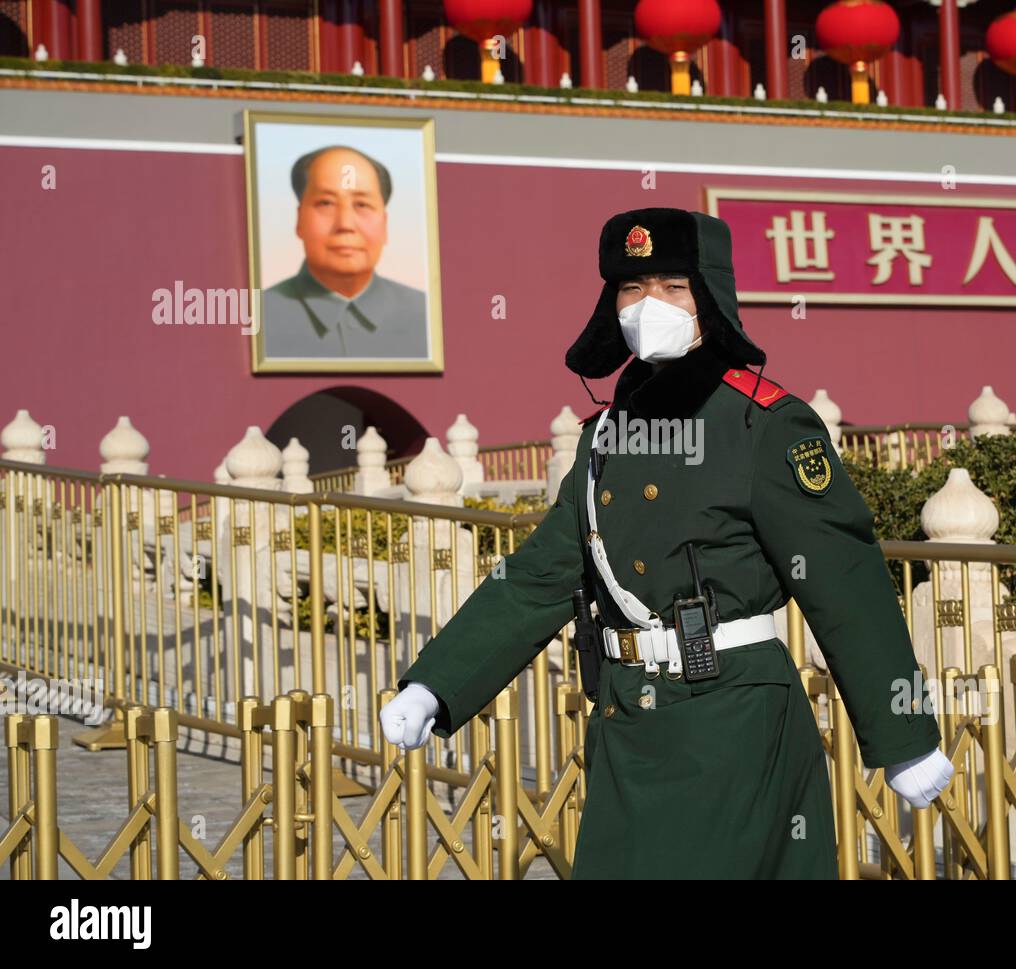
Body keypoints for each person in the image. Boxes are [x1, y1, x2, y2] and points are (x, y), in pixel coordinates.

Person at [380, 207, 953, 879]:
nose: (649, 305)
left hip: (732, 721)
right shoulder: (605, 438)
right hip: (627, 723)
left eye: (673, 287)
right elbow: (541, 574)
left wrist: (903, 736)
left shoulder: (762, 423)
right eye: (631, 288)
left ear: (710, 296)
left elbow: (844, 577)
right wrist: (436, 684)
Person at [260, 145, 429, 360]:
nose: (345, 224)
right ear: (299, 219)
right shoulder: (258, 318)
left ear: (385, 224)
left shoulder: (428, 317)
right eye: (326, 203)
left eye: (362, 205)